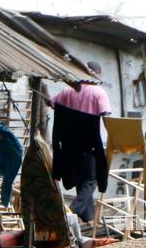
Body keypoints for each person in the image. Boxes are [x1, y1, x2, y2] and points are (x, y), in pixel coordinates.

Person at [45, 61, 111, 223]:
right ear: (94, 73)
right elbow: (106, 116)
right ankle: (70, 211)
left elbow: (49, 103)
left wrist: (42, 86)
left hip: (68, 146)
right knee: (91, 180)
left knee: (81, 183)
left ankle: (87, 220)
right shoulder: (97, 92)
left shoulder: (67, 91)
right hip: (88, 146)